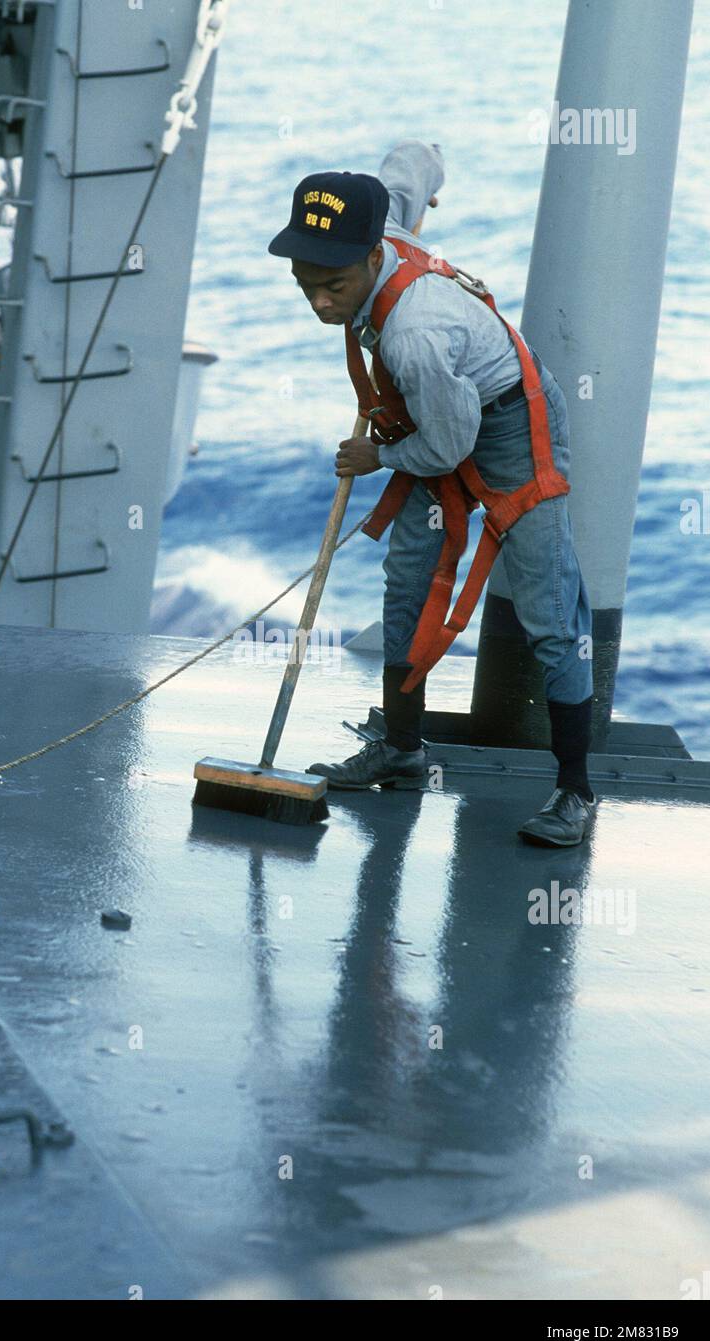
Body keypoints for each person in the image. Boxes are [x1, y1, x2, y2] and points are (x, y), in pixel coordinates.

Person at [267, 141, 597, 846]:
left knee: (546, 611)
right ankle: (402, 751)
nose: (320, 302)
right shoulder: (376, 226)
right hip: (437, 409)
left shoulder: (413, 333)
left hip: (506, 427)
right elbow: (410, 163)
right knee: (407, 582)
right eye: (305, 284)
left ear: (368, 260)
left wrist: (376, 454)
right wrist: (431, 171)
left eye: (334, 287)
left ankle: (575, 791)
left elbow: (448, 447)